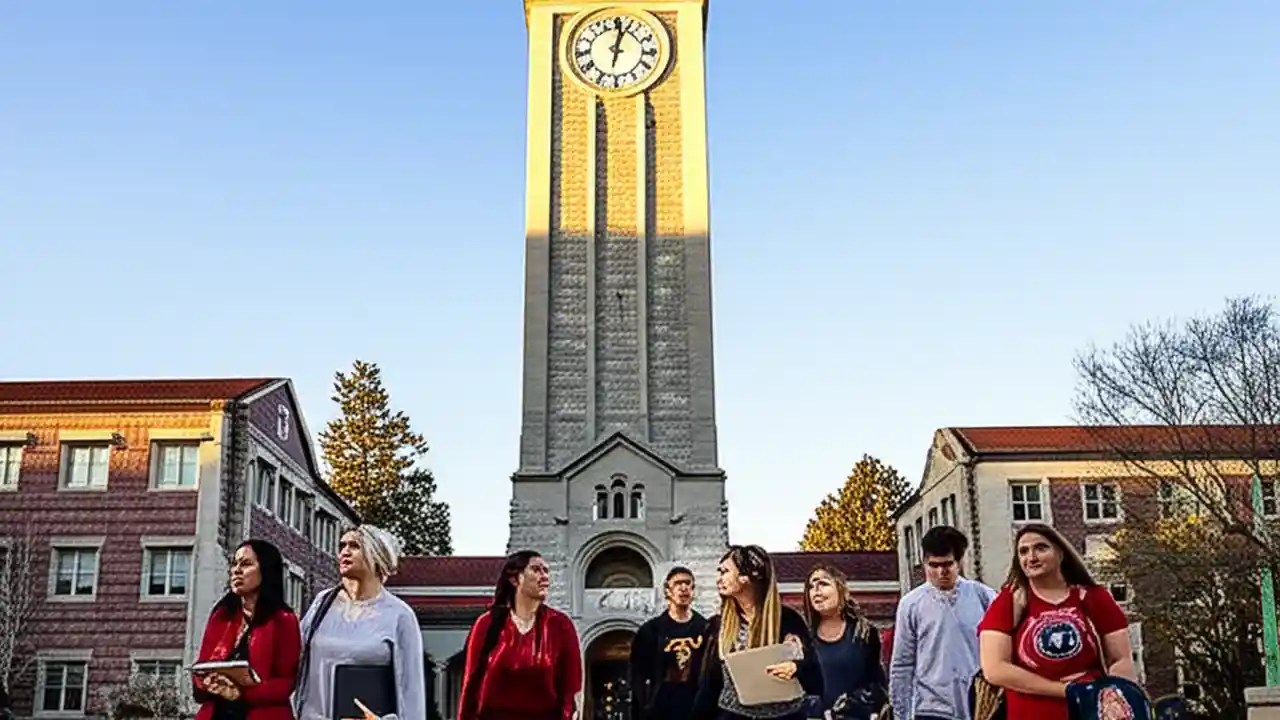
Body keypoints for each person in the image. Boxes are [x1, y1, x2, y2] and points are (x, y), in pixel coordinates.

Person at [977, 523, 1135, 720]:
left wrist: (1113, 693)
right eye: (1023, 552)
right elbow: (995, 669)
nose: (1031, 557)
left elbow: (1120, 659)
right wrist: (1065, 690)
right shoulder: (1009, 602)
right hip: (1029, 713)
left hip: (1087, 711)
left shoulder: (1094, 597)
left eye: (1041, 548)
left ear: (1061, 553)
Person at [293, 525, 425, 720]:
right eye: (342, 546)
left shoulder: (400, 615)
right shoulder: (323, 603)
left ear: (377, 555)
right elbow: (294, 657)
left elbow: (411, 693)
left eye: (354, 546)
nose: (344, 551)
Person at [692, 544, 823, 720]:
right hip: (733, 716)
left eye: (724, 572)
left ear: (746, 577)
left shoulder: (789, 620)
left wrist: (796, 667)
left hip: (783, 715)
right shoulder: (717, 626)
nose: (718, 579)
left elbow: (816, 680)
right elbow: (709, 685)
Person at [457, 550, 583, 720]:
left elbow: (571, 690)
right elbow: (470, 686)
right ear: (515, 578)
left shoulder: (560, 626)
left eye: (546, 571)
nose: (544, 577)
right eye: (536, 570)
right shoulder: (488, 624)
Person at [889, 526, 996, 720]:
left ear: (960, 562)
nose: (940, 572)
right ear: (924, 563)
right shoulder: (911, 604)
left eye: (947, 564)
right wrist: (901, 713)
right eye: (933, 565)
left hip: (978, 705)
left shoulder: (984, 597)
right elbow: (903, 663)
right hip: (931, 708)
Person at [193, 539, 301, 720]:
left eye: (246, 564)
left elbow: (286, 683)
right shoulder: (222, 615)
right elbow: (201, 667)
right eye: (234, 564)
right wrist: (206, 682)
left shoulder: (283, 619)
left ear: (265, 570)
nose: (236, 570)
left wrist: (240, 693)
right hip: (216, 713)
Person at [802, 564, 886, 720]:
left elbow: (878, 685)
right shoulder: (803, 636)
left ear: (840, 589)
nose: (816, 591)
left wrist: (854, 703)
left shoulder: (864, 632)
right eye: (811, 586)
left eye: (823, 584)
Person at [629, 566, 709, 720]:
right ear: (667, 590)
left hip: (695, 708)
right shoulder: (651, 630)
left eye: (688, 583)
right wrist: (644, 707)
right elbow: (637, 675)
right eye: (678, 583)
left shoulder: (705, 628)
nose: (683, 588)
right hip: (661, 708)